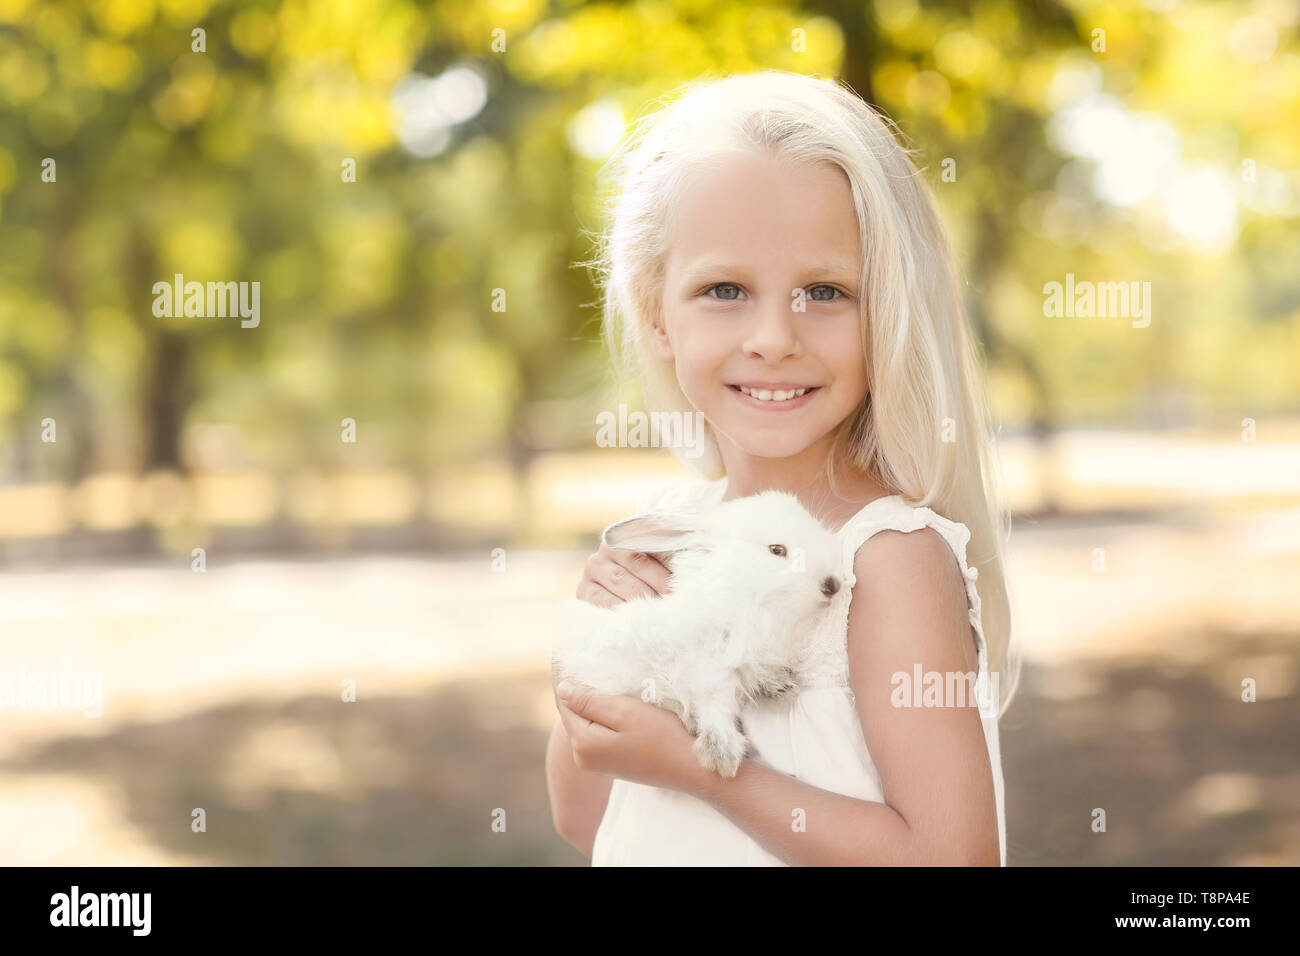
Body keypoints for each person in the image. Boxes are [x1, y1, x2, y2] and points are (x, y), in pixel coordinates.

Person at [546, 70, 1020, 866]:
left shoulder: (886, 560)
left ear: (887, 310)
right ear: (656, 312)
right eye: (725, 288)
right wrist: (596, 657)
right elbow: (589, 818)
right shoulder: (669, 536)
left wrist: (708, 771)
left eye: (824, 292)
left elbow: (953, 857)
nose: (773, 336)